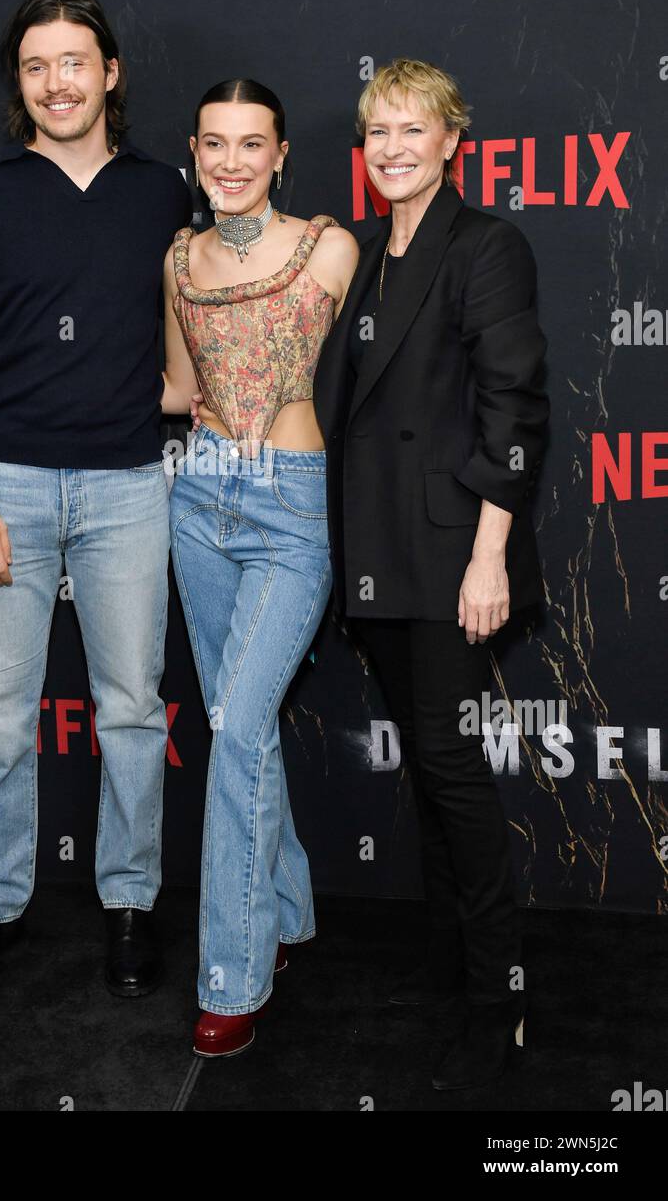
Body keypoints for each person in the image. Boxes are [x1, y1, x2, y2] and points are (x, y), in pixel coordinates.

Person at [0, 0, 192, 1005]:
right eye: (36, 66)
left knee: (129, 709)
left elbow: (217, 295)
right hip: (6, 491)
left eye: (75, 61)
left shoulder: (165, 190)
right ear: (19, 85)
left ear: (110, 74)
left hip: (130, 485)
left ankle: (130, 907)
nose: (57, 82)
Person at [312, 58, 549, 1090]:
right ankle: (454, 969)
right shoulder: (362, 254)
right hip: (378, 562)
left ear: (453, 140)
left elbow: (516, 410)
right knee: (431, 773)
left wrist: (489, 555)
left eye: (413, 130)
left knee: (451, 773)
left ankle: (500, 993)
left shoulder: (485, 245)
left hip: (453, 558)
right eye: (378, 133)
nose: (394, 148)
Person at [161, 79, 360, 1056]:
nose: (231, 161)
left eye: (251, 145)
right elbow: (179, 386)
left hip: (290, 505)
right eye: (213, 144)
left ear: (282, 154)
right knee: (239, 728)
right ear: (193, 152)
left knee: (239, 724)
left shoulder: (328, 245)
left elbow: (331, 365)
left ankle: (233, 980)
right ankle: (282, 915)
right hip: (197, 500)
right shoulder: (177, 257)